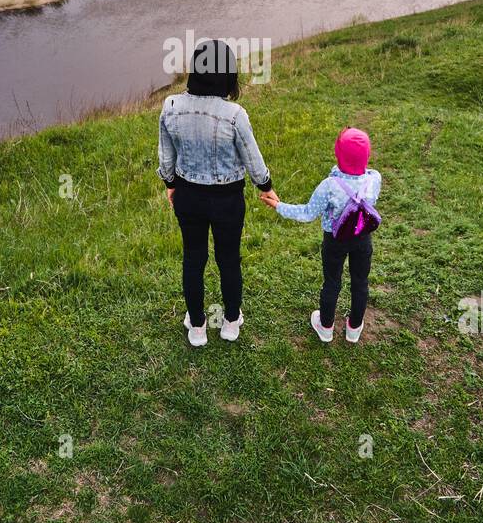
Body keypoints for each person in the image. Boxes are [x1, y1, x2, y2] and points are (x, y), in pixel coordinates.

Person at [158, 39, 275, 347]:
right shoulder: (235, 114)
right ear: (227, 74)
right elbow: (254, 159)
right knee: (228, 260)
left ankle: (197, 326)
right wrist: (266, 186)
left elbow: (166, 158)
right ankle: (231, 322)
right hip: (227, 201)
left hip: (188, 197)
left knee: (193, 258)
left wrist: (170, 185)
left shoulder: (171, 106)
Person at [261, 128, 380, 343]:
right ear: (367, 155)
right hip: (363, 239)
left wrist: (279, 206)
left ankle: (325, 326)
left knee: (332, 282)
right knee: (360, 281)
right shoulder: (374, 180)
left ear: (338, 153)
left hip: (335, 241)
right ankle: (354, 328)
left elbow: (307, 213)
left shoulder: (330, 186)